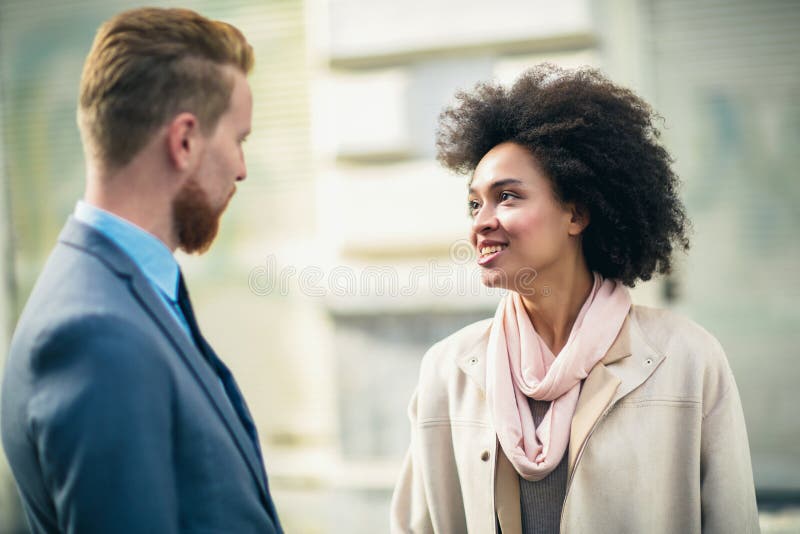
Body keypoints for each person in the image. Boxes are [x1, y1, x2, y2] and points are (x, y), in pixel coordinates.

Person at [390, 64, 759, 534]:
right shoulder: (448, 369)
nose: (481, 221)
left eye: (507, 196)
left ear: (577, 213)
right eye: (474, 203)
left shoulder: (686, 358)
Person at [1, 8, 282, 533]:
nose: (242, 168)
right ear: (184, 141)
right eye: (238, 140)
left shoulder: (123, 290)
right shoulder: (94, 333)